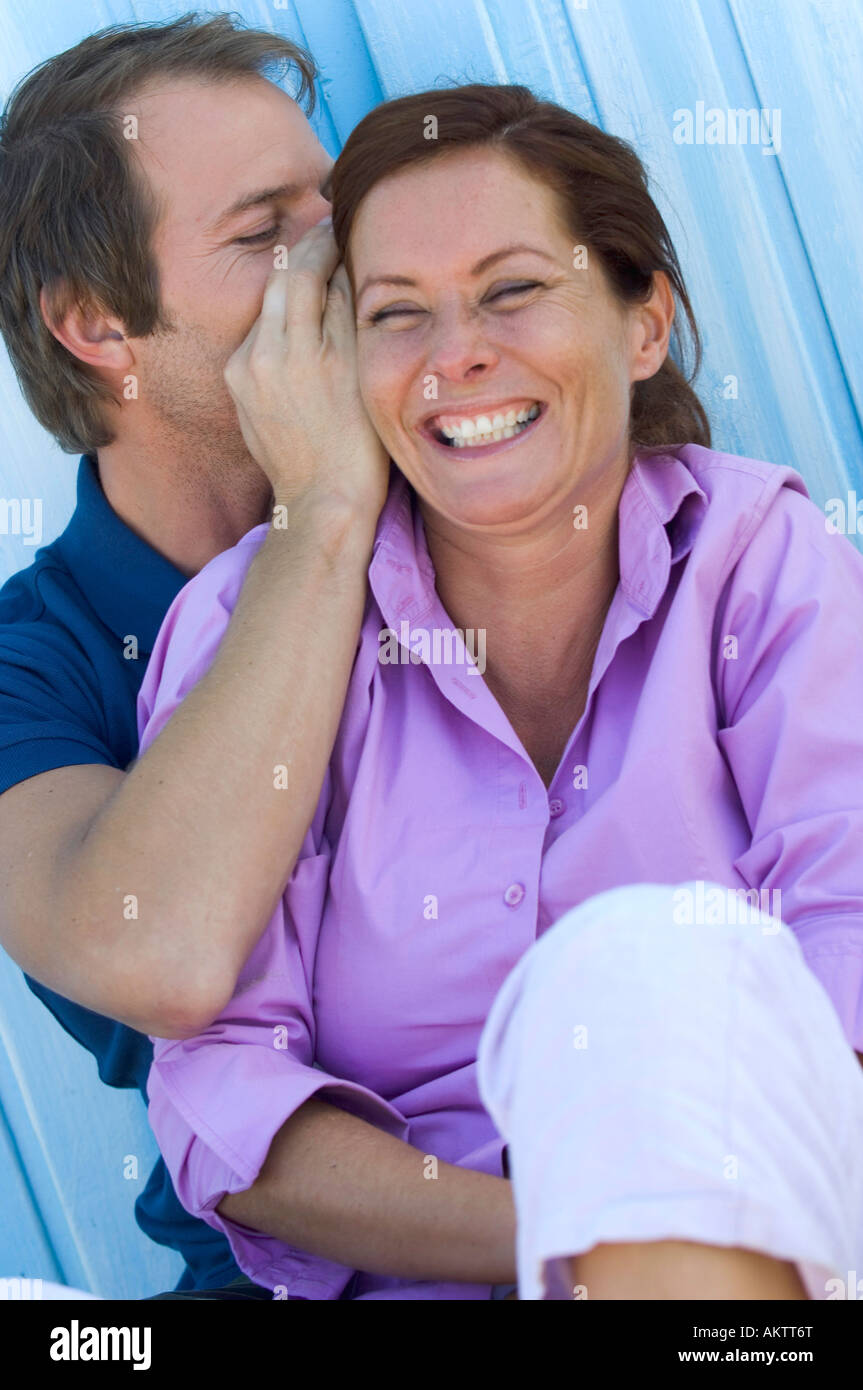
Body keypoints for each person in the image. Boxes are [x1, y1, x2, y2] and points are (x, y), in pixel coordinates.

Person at [140, 83, 863, 1300]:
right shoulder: (246, 623)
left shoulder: (756, 559)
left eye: (513, 289)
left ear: (643, 326)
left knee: (649, 963)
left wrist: (691, 1241)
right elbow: (227, 1092)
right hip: (438, 1281)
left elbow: (844, 933)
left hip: (769, 1261)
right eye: (395, 313)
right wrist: (575, 1245)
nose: (456, 352)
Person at [0, 14, 392, 1294]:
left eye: (332, 207)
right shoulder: (30, 672)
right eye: (266, 230)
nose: (342, 257)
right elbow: (157, 956)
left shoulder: (477, 506)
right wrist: (321, 512)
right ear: (97, 324)